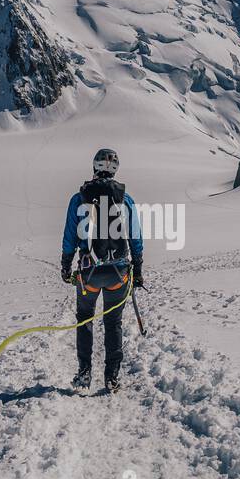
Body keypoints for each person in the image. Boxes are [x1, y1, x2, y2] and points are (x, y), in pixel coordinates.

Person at [61, 148, 144, 392]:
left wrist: (66, 265)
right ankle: (112, 376)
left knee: (85, 319)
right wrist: (137, 269)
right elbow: (135, 237)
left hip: (88, 274)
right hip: (118, 272)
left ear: (94, 168)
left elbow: (69, 236)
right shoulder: (125, 199)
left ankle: (84, 372)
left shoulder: (79, 199)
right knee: (113, 322)